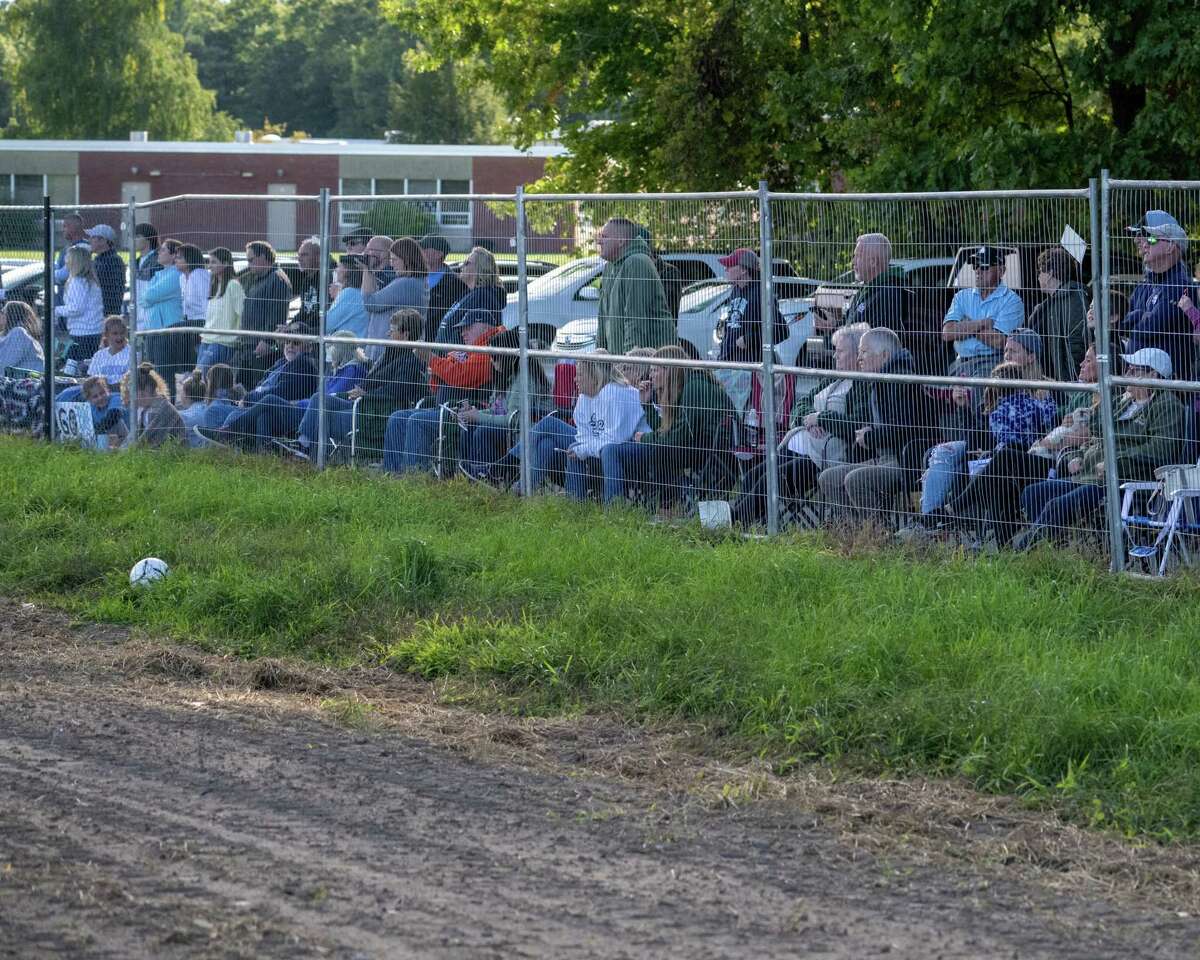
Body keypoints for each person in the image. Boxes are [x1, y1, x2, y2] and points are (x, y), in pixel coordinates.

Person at [1017, 347, 1187, 548]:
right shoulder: (1124, 403)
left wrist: (1114, 462)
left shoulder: (1166, 405)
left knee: (1058, 504)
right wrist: (1077, 454)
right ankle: (1054, 549)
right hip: (1090, 474)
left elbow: (1161, 450)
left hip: (1124, 480)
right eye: (1128, 369)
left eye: (1134, 371)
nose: (1127, 374)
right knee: (1034, 492)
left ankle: (1026, 550)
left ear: (1153, 375)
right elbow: (1095, 433)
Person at [730, 323, 872, 528]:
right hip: (804, 447)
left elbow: (856, 424)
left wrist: (821, 418)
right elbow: (801, 404)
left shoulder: (862, 385)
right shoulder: (835, 380)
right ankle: (744, 524)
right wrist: (809, 418)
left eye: (840, 352)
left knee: (771, 480)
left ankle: (733, 524)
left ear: (857, 354)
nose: (835, 357)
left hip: (829, 459)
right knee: (755, 474)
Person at [932, 362, 1059, 544]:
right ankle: (1003, 549)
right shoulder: (1033, 404)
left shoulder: (995, 411)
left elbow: (994, 440)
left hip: (1028, 461)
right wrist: (1046, 398)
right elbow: (1049, 415)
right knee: (1000, 478)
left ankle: (954, 509)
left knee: (1001, 461)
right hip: (1016, 461)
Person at [816, 326, 933, 523]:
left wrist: (870, 437)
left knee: (855, 479)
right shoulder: (877, 380)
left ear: (884, 356)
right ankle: (856, 532)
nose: (859, 358)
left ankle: (877, 535)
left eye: (864, 352)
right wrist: (868, 430)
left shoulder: (901, 380)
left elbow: (903, 429)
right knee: (828, 478)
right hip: (883, 456)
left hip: (905, 459)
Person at [286, 308, 429, 461]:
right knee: (318, 399)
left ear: (405, 335)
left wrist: (365, 394)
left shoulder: (409, 362)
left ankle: (314, 457)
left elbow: (397, 392)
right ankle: (304, 446)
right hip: (362, 404)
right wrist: (357, 392)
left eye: (392, 330)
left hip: (374, 413)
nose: (388, 334)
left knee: (324, 415)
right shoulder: (388, 355)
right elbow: (371, 382)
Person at [601, 344, 734, 506]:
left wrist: (646, 438)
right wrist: (648, 404)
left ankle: (665, 506)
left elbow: (676, 439)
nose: (650, 376)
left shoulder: (693, 388)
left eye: (655, 370)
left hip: (717, 452)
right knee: (655, 449)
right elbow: (667, 430)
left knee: (658, 451)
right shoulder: (685, 385)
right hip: (702, 446)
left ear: (669, 370)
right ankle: (663, 504)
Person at [382, 309, 503, 473]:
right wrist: (437, 370)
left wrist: (432, 359)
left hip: (463, 411)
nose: (462, 332)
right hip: (443, 407)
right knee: (397, 418)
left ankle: (414, 479)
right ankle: (393, 474)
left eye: (468, 327)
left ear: (484, 326)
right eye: (461, 328)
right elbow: (436, 387)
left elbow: (462, 377)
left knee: (418, 420)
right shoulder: (468, 350)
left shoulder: (489, 350)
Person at [197, 321, 319, 450]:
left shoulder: (303, 365)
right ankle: (221, 446)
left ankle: (223, 444)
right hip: (254, 405)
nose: (290, 346)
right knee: (213, 410)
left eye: (296, 343)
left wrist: (248, 399)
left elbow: (281, 393)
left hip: (275, 411)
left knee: (234, 416)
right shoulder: (281, 362)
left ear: (307, 347)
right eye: (287, 341)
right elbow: (260, 385)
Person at [455, 329, 553, 479]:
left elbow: (514, 420)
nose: (491, 362)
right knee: (469, 426)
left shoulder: (524, 379)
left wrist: (479, 417)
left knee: (484, 430)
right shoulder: (505, 375)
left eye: (495, 357)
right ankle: (469, 474)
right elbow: (497, 410)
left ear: (508, 357)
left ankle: (490, 476)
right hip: (508, 430)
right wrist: (474, 413)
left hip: (524, 434)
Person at [1121, 210, 1196, 382]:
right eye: (1138, 235)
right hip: (1139, 388)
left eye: (1150, 237)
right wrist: (1139, 317)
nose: (1139, 242)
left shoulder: (1180, 285)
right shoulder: (1146, 283)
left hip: (1168, 391)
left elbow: (1149, 328)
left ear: (1170, 246)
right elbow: (1121, 321)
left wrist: (1137, 316)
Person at [594, 217, 676, 356]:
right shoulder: (609, 267)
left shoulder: (637, 262)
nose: (599, 241)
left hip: (652, 365)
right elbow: (603, 319)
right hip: (621, 364)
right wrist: (600, 358)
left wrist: (630, 363)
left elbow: (636, 319)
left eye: (604, 237)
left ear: (621, 241)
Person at [941, 245, 1025, 380]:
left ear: (1001, 270)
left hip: (992, 363)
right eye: (975, 266)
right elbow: (947, 333)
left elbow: (1000, 341)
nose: (978, 270)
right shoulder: (962, 296)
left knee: (976, 392)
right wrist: (982, 323)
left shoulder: (1012, 301)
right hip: (960, 363)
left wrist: (966, 326)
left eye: (985, 266)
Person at [231, 241, 292, 389]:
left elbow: (277, 314)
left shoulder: (277, 279)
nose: (248, 264)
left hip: (262, 349)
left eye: (251, 259)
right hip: (249, 346)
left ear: (263, 257)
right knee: (241, 388)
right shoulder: (258, 279)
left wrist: (267, 341)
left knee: (258, 388)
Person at [715, 248, 788, 364]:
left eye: (730, 266)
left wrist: (749, 340)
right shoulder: (735, 291)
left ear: (743, 270)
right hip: (731, 363)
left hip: (752, 368)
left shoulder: (761, 293)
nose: (726, 269)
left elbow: (782, 331)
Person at [1027, 247, 1088, 385]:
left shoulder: (1074, 298)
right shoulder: (1052, 302)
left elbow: (1077, 340)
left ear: (1049, 273)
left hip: (1069, 381)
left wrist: (1070, 375)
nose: (1038, 276)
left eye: (1039, 271)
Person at [362, 237, 427, 360]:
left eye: (394, 259)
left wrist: (367, 269)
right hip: (396, 351)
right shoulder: (417, 282)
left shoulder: (405, 284)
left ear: (406, 259)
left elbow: (370, 303)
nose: (391, 264)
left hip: (389, 353)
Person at [433, 246, 506, 344]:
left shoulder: (484, 296)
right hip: (448, 356)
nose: (462, 266)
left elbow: (479, 335)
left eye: (467, 263)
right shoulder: (469, 294)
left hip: (463, 357)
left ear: (480, 268)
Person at [113, 363, 186, 448]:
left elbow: (146, 440)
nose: (130, 399)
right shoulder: (146, 410)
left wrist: (123, 452)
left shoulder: (161, 409)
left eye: (132, 394)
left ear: (146, 390)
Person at [196, 247, 245, 374]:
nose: (210, 266)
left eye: (214, 262)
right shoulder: (214, 286)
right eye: (209, 262)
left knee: (204, 378)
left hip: (222, 343)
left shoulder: (233, 285)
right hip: (206, 339)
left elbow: (242, 314)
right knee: (199, 381)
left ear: (226, 263)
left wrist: (236, 337)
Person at [140, 238, 184, 378]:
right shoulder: (158, 275)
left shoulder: (176, 275)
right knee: (153, 373)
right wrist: (150, 298)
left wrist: (151, 298)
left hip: (166, 331)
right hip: (152, 329)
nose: (159, 252)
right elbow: (143, 299)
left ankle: (168, 400)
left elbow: (150, 296)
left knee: (164, 374)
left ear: (173, 256)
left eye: (163, 249)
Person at [55, 246, 104, 367]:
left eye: (68, 257)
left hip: (82, 333)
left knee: (74, 367)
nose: (65, 260)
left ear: (75, 260)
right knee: (87, 366)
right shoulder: (90, 281)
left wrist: (55, 310)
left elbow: (76, 308)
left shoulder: (77, 282)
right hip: (93, 331)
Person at [844, 233, 906, 329]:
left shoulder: (887, 295)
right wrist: (832, 325)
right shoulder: (866, 289)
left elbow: (878, 339)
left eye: (858, 256)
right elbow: (850, 322)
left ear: (873, 262)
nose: (853, 262)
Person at [419, 234, 468, 342]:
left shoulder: (455, 283)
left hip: (439, 342)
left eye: (425, 248)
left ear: (439, 254)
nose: (421, 251)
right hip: (413, 340)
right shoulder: (415, 276)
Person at [175, 242, 209, 377]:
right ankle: (186, 371)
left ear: (189, 260)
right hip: (191, 321)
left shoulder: (199, 275)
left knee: (179, 332)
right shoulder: (182, 278)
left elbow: (206, 302)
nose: (175, 260)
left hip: (203, 322)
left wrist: (207, 331)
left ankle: (189, 372)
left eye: (179, 258)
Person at [84, 224, 126, 317]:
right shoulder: (100, 259)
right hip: (99, 311)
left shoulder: (112, 260)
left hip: (106, 312)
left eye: (92, 237)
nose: (89, 240)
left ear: (103, 240)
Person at [325, 254, 369, 339]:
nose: (336, 270)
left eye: (338, 267)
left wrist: (337, 296)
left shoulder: (349, 293)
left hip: (346, 348)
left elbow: (327, 324)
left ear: (345, 270)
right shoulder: (362, 291)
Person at [83, 315, 131, 385]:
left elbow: (129, 379)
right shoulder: (99, 355)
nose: (119, 337)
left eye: (122, 333)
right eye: (115, 333)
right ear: (106, 335)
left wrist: (105, 380)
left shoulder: (131, 354)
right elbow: (92, 378)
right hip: (100, 392)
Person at [79, 375, 126, 444]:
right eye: (95, 396)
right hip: (105, 438)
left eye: (102, 393)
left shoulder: (116, 398)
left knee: (117, 422)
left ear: (107, 390)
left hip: (125, 438)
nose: (100, 398)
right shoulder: (90, 406)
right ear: (89, 400)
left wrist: (94, 431)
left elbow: (112, 417)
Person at [0, 301, 44, 374]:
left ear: (11, 315)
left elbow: (5, 364)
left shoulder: (19, 333)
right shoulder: (9, 334)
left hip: (27, 380)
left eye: (2, 312)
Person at [53, 213, 88, 303]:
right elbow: (58, 268)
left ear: (75, 228)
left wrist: (49, 274)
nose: (63, 230)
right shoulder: (66, 248)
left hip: (75, 298)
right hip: (63, 296)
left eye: (66, 226)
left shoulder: (82, 248)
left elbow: (64, 275)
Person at [132, 222, 163, 322]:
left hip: (152, 316)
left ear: (148, 239)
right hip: (138, 316)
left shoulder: (158, 261)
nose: (134, 240)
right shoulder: (135, 261)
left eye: (137, 236)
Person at [295, 237, 326, 330]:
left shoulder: (326, 280)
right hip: (305, 333)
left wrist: (298, 328)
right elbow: (303, 311)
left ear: (318, 257)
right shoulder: (306, 281)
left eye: (304, 255)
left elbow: (321, 313)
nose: (299, 259)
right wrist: (288, 326)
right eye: (299, 255)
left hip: (319, 334)